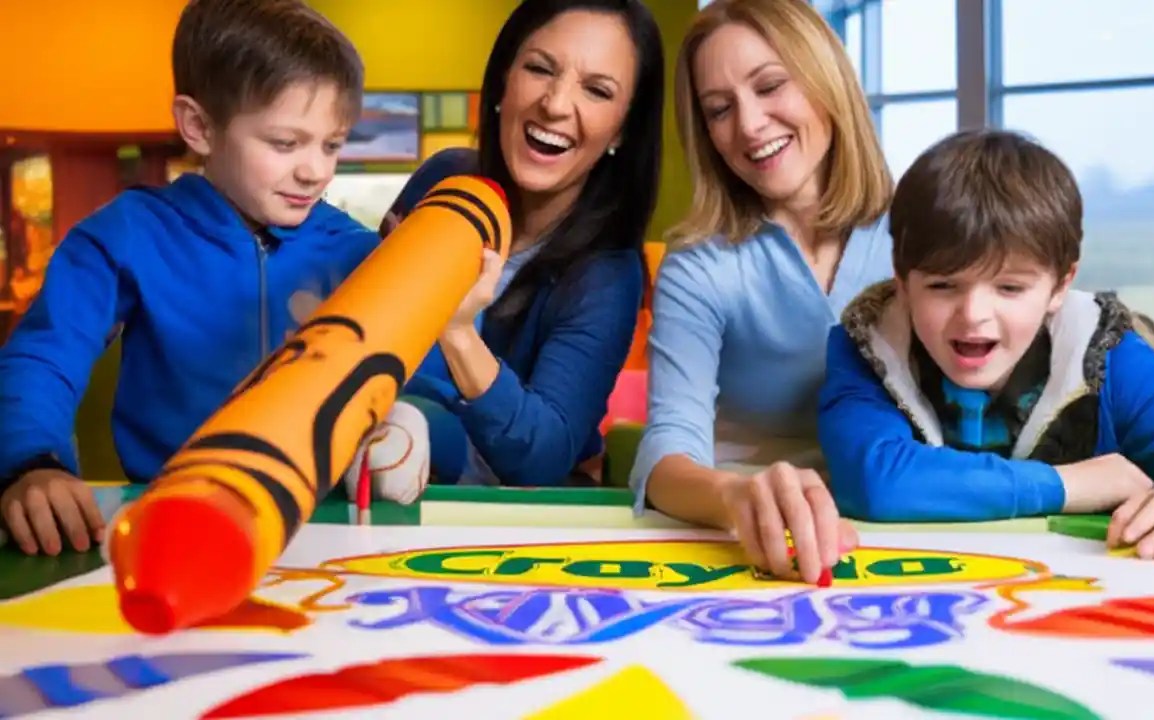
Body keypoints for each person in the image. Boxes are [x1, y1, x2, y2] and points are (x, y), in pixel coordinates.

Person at [0, 0, 377, 556]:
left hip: (330, 532)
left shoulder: (359, 252)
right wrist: (32, 462)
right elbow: (46, 355)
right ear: (199, 126)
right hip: (173, 524)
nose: (315, 170)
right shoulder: (127, 233)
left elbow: (432, 391)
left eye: (332, 144)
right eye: (285, 143)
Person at [819, 129, 1154, 560]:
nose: (974, 314)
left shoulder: (1110, 358)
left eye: (1010, 288)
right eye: (943, 286)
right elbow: (874, 480)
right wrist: (1071, 485)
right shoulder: (865, 347)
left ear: (1060, 286)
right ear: (901, 281)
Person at [629, 0, 894, 586]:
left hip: (893, 531)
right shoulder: (698, 264)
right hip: (742, 547)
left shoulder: (920, 233)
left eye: (770, 86)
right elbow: (668, 455)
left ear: (827, 81)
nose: (748, 125)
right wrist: (737, 496)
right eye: (719, 110)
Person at [378, 0, 664, 489]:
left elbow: (544, 455)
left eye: (596, 91)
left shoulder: (607, 274)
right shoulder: (443, 178)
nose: (555, 104)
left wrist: (458, 331)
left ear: (622, 129)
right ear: (503, 82)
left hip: (500, 516)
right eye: (538, 68)